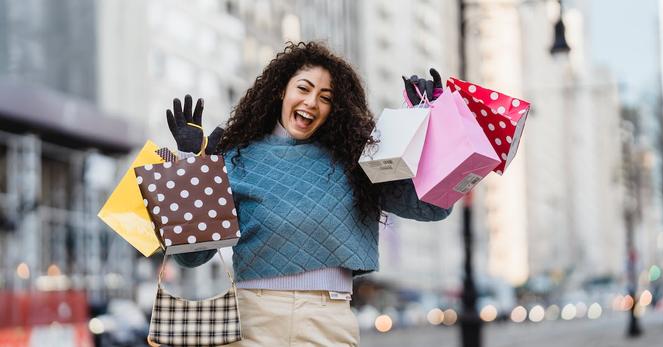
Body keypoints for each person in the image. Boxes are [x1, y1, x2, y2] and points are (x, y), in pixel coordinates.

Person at [165, 41, 451, 346]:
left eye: (325, 97)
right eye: (303, 88)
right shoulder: (238, 158)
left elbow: (432, 206)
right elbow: (191, 257)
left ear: (335, 107)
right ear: (281, 91)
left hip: (329, 320)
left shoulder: (360, 157)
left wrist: (437, 125)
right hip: (252, 319)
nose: (311, 102)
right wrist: (193, 164)